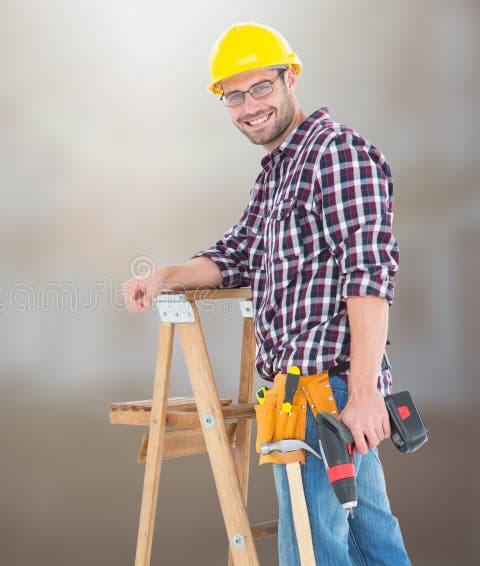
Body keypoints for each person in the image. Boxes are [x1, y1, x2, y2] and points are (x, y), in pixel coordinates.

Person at [122, 22, 410, 565]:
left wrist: (367, 393)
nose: (249, 105)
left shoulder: (336, 155)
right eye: (234, 95)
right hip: (297, 397)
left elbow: (369, 276)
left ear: (291, 77)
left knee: (316, 551)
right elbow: (237, 253)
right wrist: (165, 275)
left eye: (261, 87)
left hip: (330, 396)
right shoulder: (277, 173)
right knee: (368, 544)